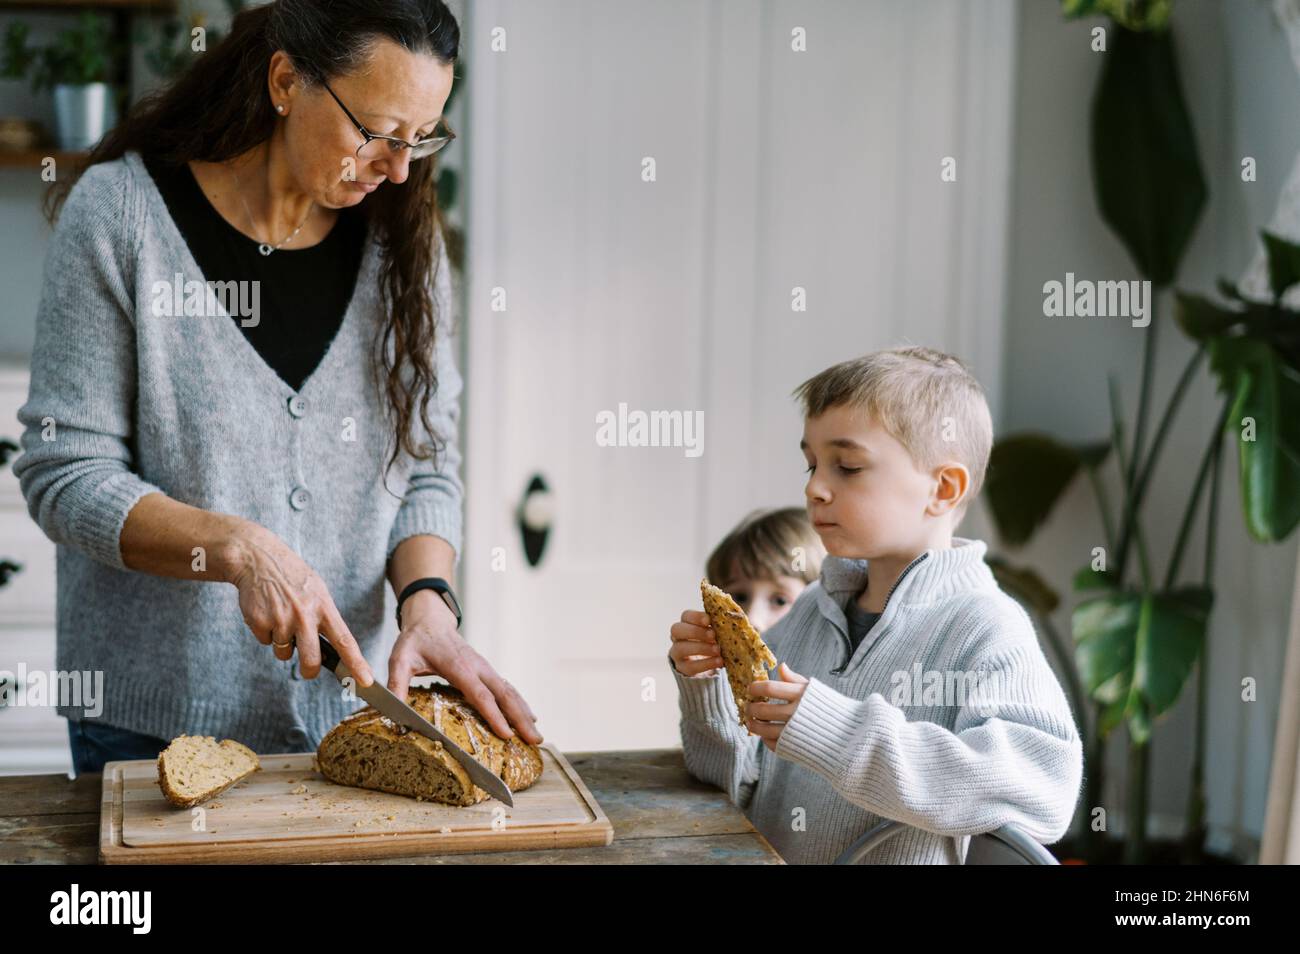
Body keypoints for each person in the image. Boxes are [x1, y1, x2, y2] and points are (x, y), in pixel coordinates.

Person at [14, 0, 541, 776]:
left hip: (346, 727)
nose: (399, 167)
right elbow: (65, 474)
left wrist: (428, 600)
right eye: (377, 132)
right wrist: (238, 548)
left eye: (420, 137)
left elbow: (425, 465)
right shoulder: (122, 217)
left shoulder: (404, 248)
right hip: (150, 728)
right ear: (287, 81)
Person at [667, 346, 1083, 863]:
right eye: (812, 464)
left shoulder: (985, 626)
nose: (815, 488)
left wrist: (837, 733)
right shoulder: (810, 611)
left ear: (943, 489)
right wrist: (708, 693)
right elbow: (733, 782)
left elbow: (1042, 792)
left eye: (847, 466)